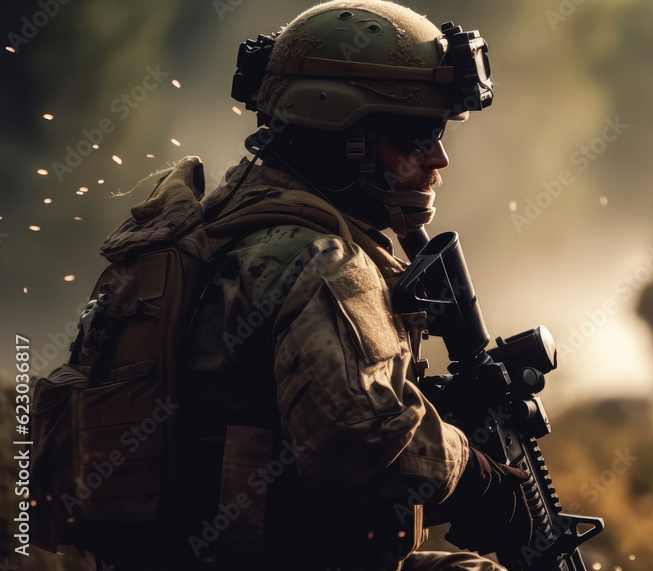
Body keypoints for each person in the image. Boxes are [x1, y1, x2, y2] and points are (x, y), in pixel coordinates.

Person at [97, 1, 531, 569]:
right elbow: (363, 449)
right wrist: (472, 473)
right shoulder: (319, 260)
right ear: (343, 134)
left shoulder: (206, 230)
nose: (439, 158)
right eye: (418, 134)